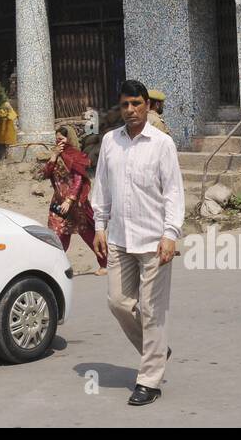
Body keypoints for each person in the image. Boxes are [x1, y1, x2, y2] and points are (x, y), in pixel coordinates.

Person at [91, 79, 184, 406]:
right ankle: (156, 349)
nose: (131, 110)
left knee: (151, 309)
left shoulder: (161, 144)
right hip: (118, 237)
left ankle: (149, 381)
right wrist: (99, 226)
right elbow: (101, 185)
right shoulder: (109, 142)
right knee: (118, 302)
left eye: (137, 104)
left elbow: (173, 191)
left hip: (154, 240)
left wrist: (171, 233)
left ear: (148, 106)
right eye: (126, 105)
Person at [41, 125, 107, 275]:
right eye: (57, 140)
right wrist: (53, 156)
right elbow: (45, 174)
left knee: (89, 234)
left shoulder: (76, 156)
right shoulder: (56, 156)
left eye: (62, 139)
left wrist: (69, 200)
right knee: (57, 234)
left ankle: (105, 264)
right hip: (58, 203)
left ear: (69, 139)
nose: (59, 143)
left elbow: (78, 180)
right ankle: (55, 268)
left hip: (76, 204)